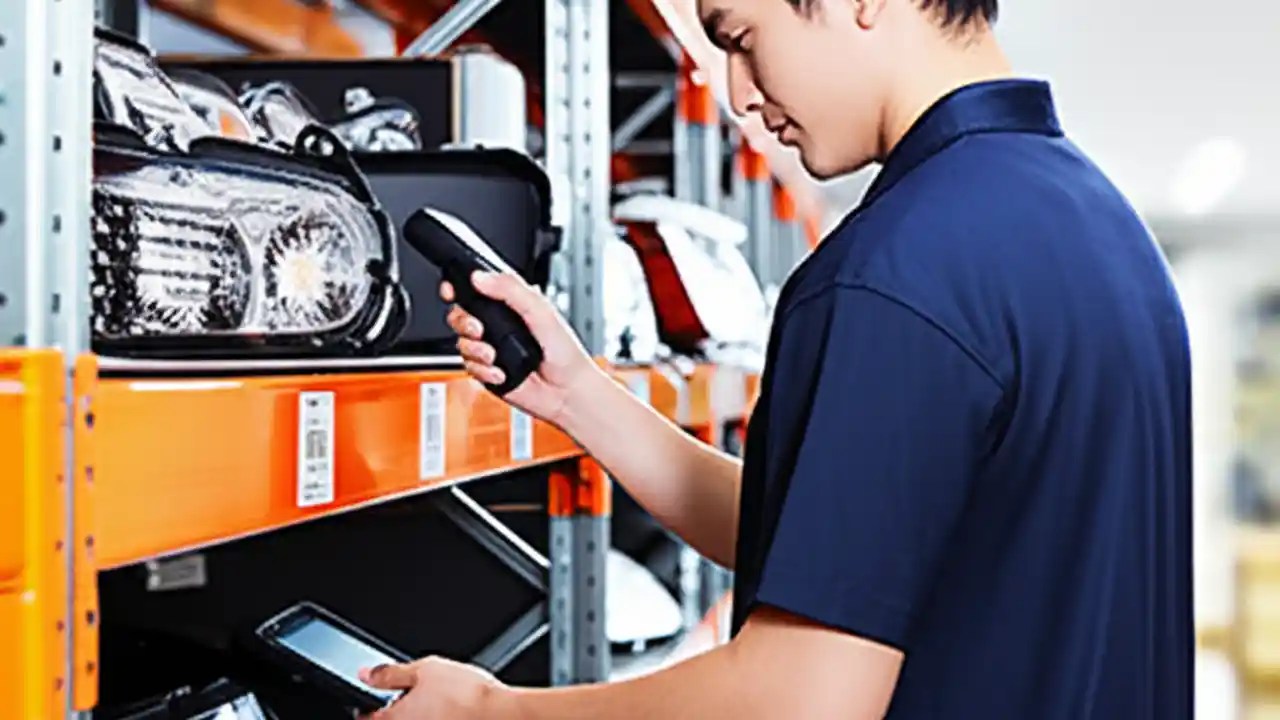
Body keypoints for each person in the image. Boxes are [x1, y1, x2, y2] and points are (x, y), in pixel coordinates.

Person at [360, 0, 1194, 717]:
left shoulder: (893, 274)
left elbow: (800, 699)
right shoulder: (1106, 236)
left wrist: (494, 711)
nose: (739, 94)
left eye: (741, 37)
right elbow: (844, 548)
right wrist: (580, 393)